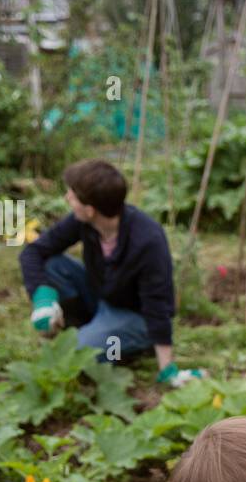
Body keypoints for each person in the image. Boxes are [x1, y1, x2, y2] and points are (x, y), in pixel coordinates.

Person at [19, 158, 201, 385]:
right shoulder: (82, 222)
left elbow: (157, 303)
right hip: (102, 296)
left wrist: (167, 369)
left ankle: (121, 345)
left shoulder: (147, 241)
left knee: (78, 353)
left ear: (90, 209)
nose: (67, 199)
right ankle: (87, 329)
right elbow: (34, 252)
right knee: (53, 265)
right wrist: (43, 297)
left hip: (134, 315)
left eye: (72, 196)